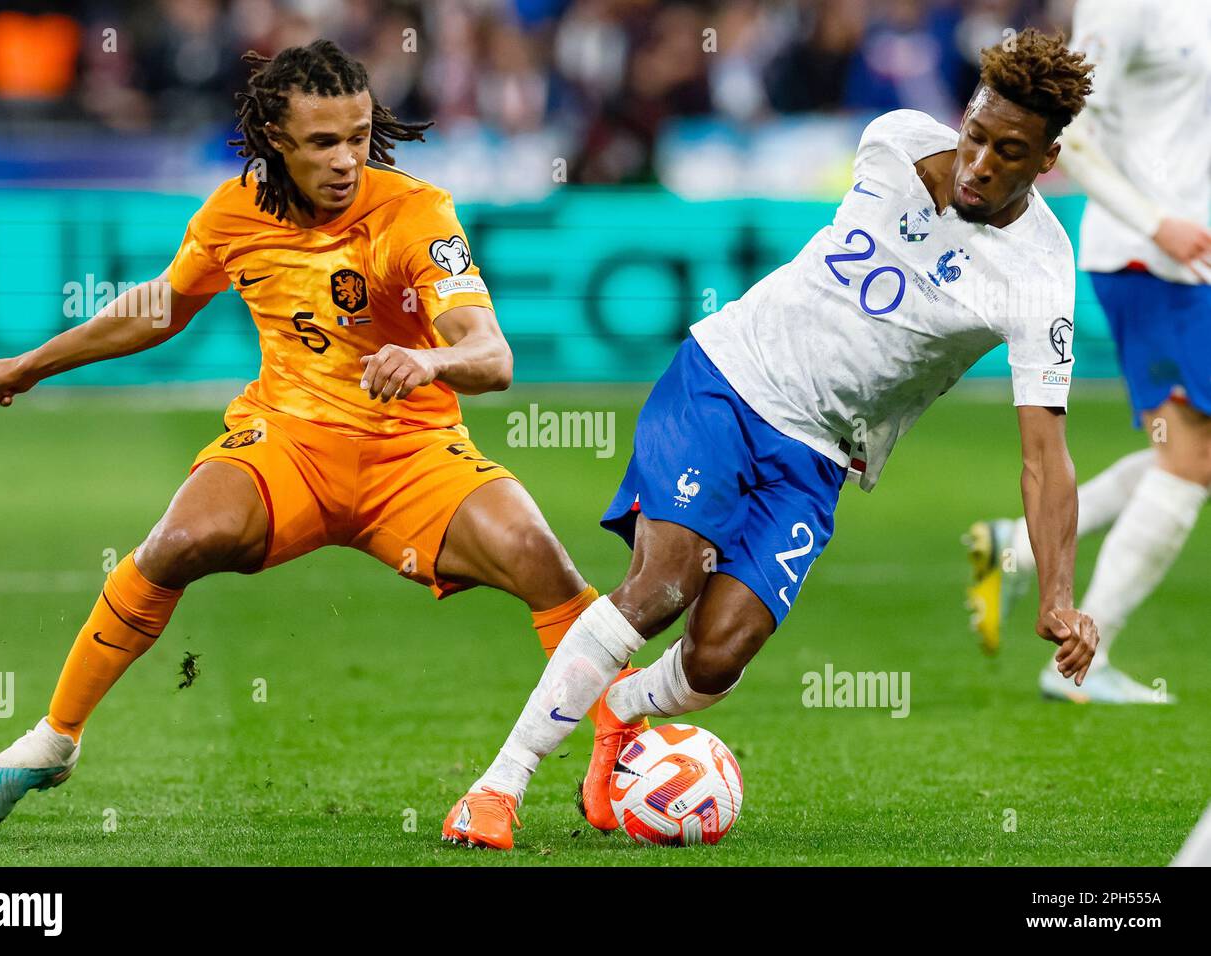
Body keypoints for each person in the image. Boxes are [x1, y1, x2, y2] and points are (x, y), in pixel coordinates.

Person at [0, 39, 633, 830]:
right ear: (279, 139)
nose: (346, 159)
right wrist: (31, 366)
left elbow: (494, 355)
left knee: (540, 562)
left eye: (357, 136)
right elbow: (161, 307)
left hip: (410, 459)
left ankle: (617, 751)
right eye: (322, 142)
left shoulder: (416, 212)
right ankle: (51, 741)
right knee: (175, 542)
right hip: (287, 447)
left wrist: (427, 357)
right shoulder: (235, 212)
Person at [442, 28, 1099, 850]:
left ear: (1046, 162)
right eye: (974, 135)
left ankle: (621, 709)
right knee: (662, 586)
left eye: (1009, 152)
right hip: (726, 376)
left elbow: (1046, 456)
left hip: (820, 456)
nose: (978, 164)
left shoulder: (1038, 274)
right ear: (960, 115)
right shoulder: (892, 141)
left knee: (718, 655)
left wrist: (1058, 596)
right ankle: (498, 786)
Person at [965, 0, 1211, 704]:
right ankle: (1080, 655)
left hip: (1188, 253)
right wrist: (1155, 222)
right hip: (1149, 256)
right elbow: (1077, 136)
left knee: (1194, 455)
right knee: (1191, 458)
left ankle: (1011, 546)